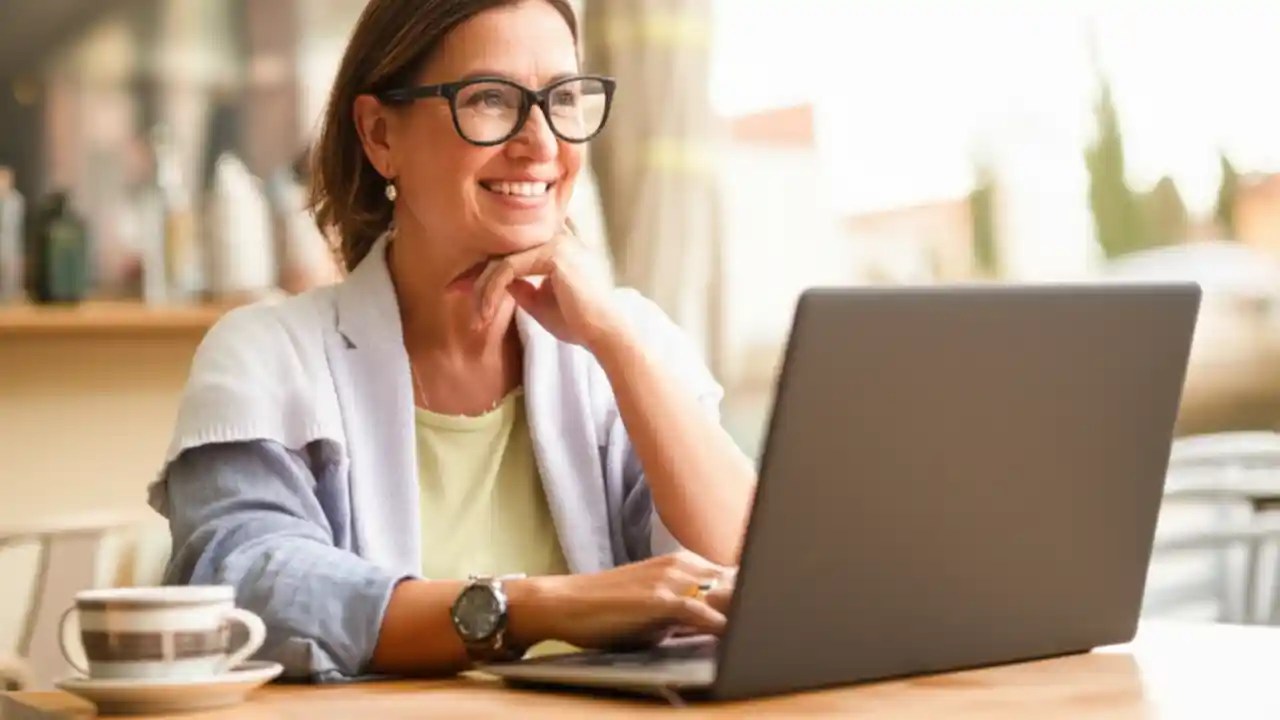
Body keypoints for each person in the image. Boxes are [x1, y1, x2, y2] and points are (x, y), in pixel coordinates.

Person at [150, 0, 756, 682]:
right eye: (492, 100)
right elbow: (250, 590)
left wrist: (612, 338)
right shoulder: (266, 355)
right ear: (380, 134)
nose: (543, 143)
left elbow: (753, 571)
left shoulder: (629, 339)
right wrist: (538, 607)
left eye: (563, 98)